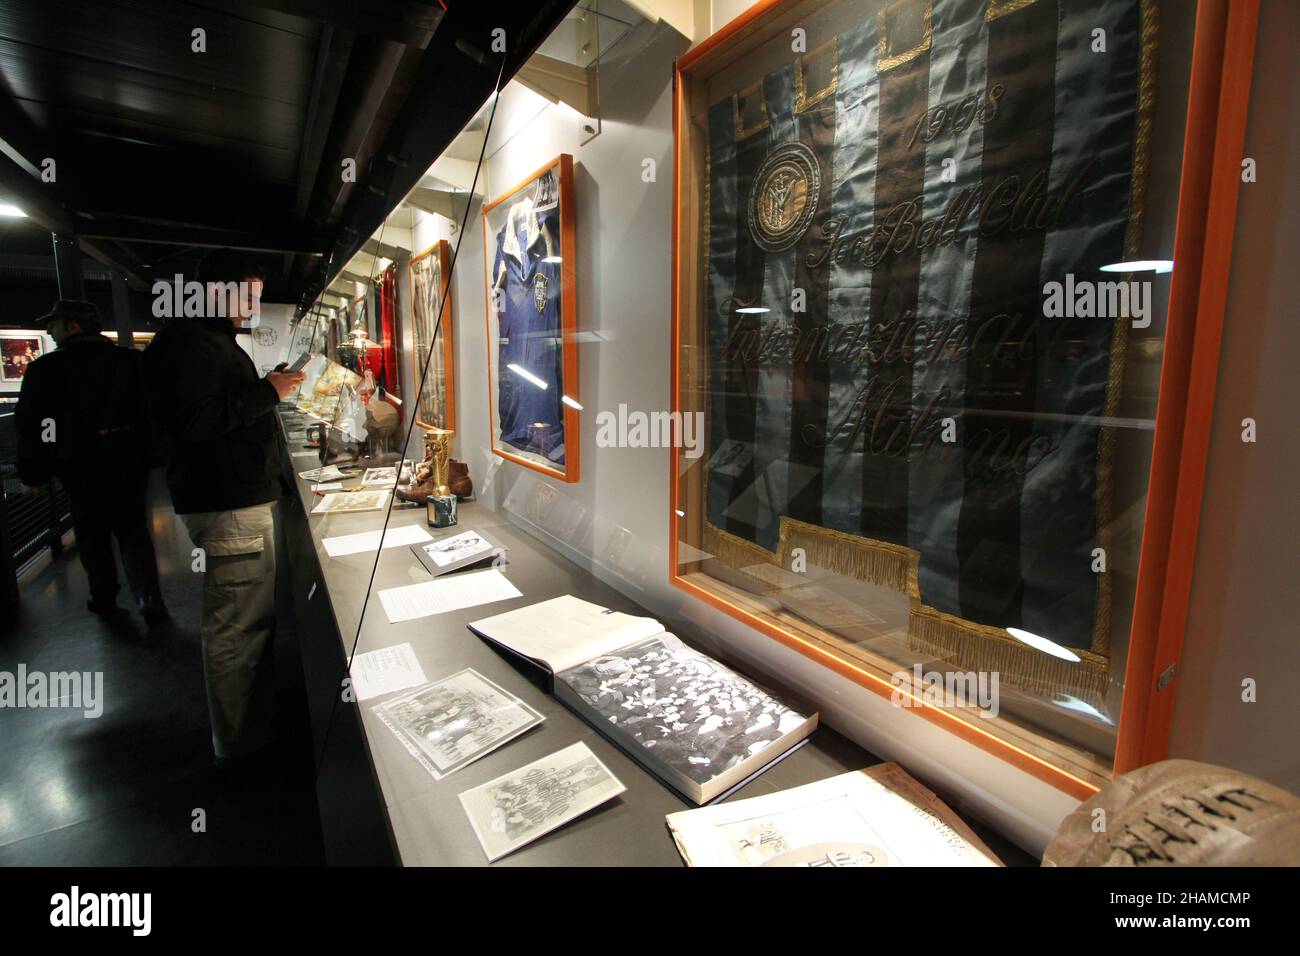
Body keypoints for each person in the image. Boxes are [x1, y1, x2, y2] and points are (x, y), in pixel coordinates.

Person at [143, 252, 305, 766]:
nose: (252, 307)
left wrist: (265, 389)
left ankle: (247, 729)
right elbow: (195, 422)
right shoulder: (193, 342)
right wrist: (266, 391)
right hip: (228, 502)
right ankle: (240, 745)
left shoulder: (198, 339)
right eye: (247, 295)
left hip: (232, 497)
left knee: (247, 619)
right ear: (216, 291)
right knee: (239, 625)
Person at [15, 300, 165, 620]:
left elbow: (37, 426)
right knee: (134, 530)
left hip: (79, 466)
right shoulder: (131, 362)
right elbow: (154, 412)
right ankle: (148, 597)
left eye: (54, 324)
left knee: (92, 534)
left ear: (73, 326)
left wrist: (33, 471)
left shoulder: (47, 369)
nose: (49, 330)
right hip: (129, 462)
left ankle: (104, 597)